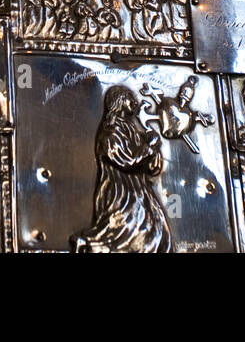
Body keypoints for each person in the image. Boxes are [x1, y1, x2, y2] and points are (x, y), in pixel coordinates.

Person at [71, 85, 171, 252]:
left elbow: (151, 169)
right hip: (121, 190)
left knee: (153, 227)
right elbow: (127, 161)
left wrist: (153, 151)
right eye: (129, 97)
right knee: (124, 226)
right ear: (119, 101)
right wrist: (147, 148)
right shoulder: (110, 131)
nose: (134, 101)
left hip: (139, 190)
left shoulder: (132, 129)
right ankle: (90, 244)